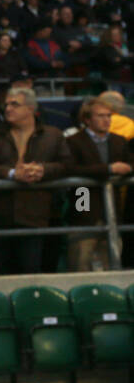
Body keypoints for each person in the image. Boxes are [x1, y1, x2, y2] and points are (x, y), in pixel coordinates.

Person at [0, 85, 73, 275]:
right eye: (6, 105)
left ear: (30, 108)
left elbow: (67, 165)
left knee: (33, 273)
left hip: (38, 216)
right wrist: (12, 173)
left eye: (14, 104)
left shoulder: (53, 135)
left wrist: (42, 170)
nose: (8, 109)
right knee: (1, 275)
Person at [65, 96, 131, 272]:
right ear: (87, 119)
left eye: (108, 115)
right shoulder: (74, 141)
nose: (106, 120)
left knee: (111, 261)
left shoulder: (119, 141)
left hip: (113, 206)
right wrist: (108, 169)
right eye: (101, 116)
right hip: (83, 198)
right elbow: (71, 169)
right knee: (81, 257)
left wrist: (126, 169)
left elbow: (130, 164)